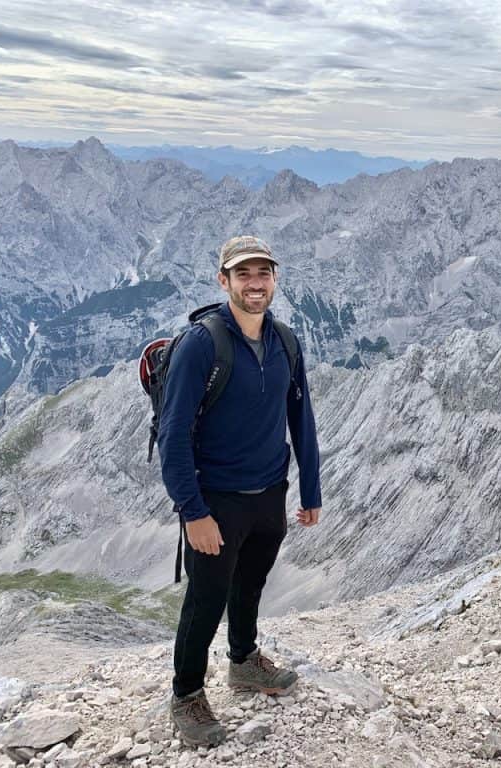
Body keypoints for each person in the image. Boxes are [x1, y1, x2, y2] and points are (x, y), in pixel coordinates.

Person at [157, 234, 322, 747]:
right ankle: (186, 695)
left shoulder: (286, 341)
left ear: (274, 280)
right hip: (217, 498)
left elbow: (302, 417)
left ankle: (244, 661)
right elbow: (173, 432)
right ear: (223, 280)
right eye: (244, 274)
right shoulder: (202, 344)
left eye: (263, 273)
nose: (255, 283)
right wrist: (192, 511)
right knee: (205, 598)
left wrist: (309, 490)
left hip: (270, 490)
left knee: (250, 582)